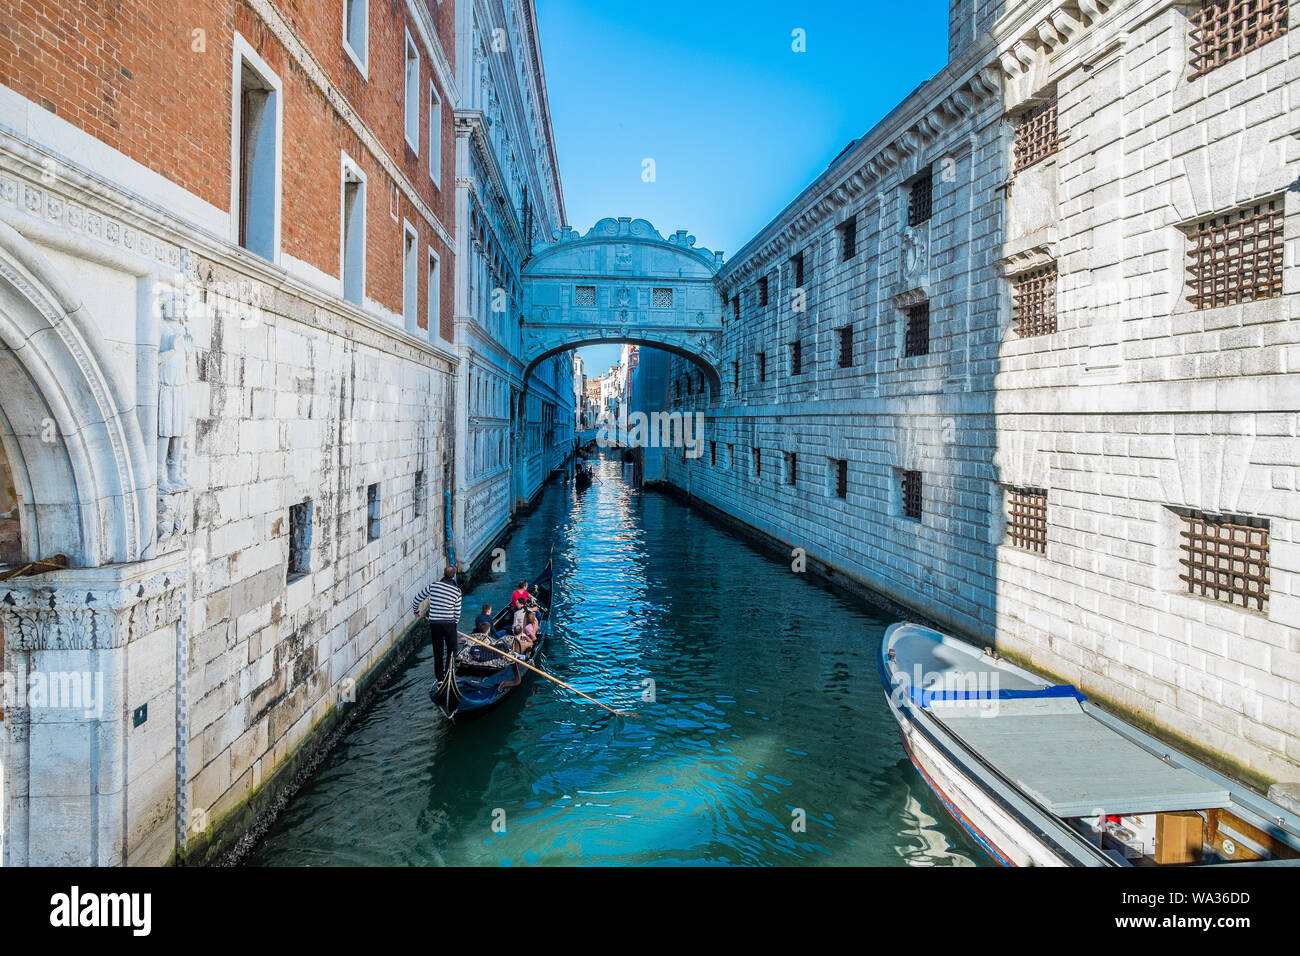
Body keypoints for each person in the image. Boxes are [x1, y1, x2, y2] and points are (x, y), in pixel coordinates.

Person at [411, 565, 461, 684]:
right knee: (452, 650)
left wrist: (416, 611)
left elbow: (417, 599)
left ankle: (439, 679)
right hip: (449, 624)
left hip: (435, 624)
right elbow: (457, 613)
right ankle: (449, 675)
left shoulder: (433, 586)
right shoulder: (457, 591)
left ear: (443, 575)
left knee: (437, 651)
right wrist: (454, 626)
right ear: (454, 576)